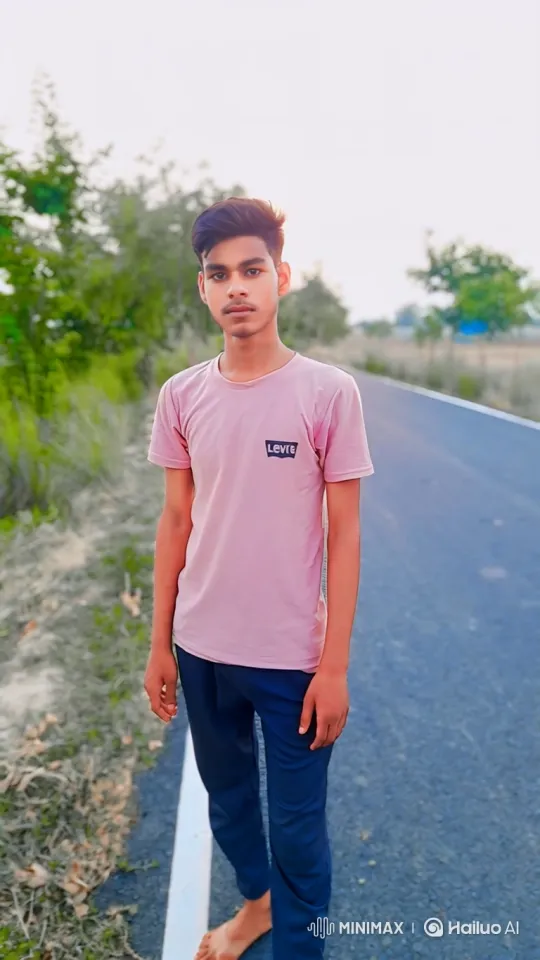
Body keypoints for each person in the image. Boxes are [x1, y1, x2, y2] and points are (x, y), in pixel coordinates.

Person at [144, 197, 374, 959]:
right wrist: (159, 645)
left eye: (251, 270)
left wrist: (333, 666)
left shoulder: (327, 393)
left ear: (282, 277)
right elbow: (176, 521)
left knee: (298, 828)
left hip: (291, 662)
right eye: (219, 274)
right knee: (232, 807)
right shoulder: (182, 395)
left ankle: (298, 943)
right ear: (202, 288)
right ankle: (257, 905)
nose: (236, 287)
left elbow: (345, 536)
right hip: (203, 649)